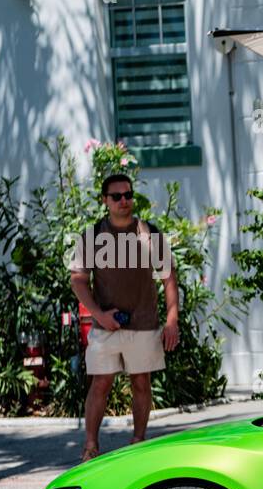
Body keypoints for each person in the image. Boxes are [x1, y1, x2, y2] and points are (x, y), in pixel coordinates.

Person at [69, 174, 180, 462]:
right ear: (105, 200)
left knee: (141, 382)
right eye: (116, 196)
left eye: (128, 195)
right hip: (106, 326)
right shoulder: (93, 236)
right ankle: (91, 446)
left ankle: (138, 442)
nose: (124, 201)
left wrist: (172, 320)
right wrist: (98, 315)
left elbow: (168, 277)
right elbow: (78, 280)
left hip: (143, 324)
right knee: (100, 384)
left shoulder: (149, 233)